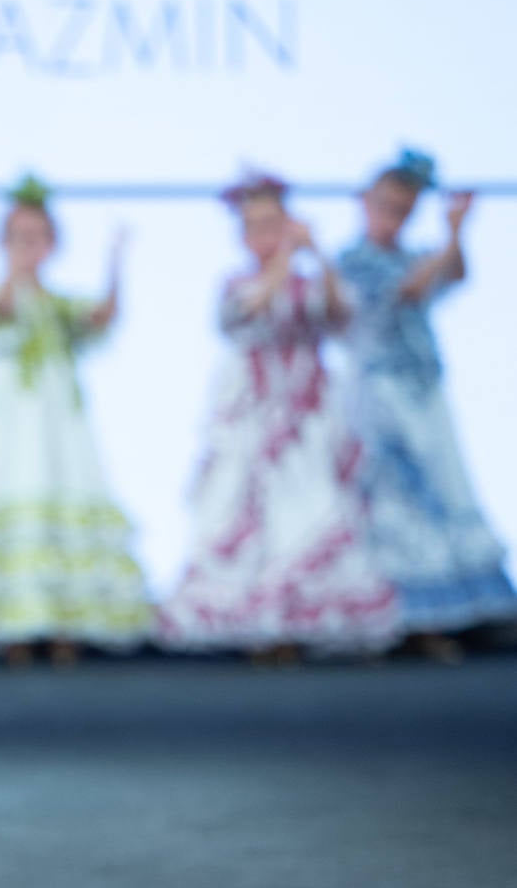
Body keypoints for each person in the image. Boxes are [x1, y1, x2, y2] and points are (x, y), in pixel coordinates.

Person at [157, 171, 399, 659]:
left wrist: (319, 256)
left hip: (306, 412)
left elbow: (340, 317)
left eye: (276, 224)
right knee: (242, 509)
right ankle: (253, 623)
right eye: (258, 226)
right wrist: (286, 258)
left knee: (311, 504)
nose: (268, 235)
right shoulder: (236, 283)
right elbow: (244, 316)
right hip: (252, 412)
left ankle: (302, 620)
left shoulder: (310, 282)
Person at [0, 175, 151, 664]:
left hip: (57, 415)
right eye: (18, 237)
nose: (28, 247)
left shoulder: (60, 305)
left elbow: (101, 318)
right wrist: (16, 272)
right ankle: (12, 624)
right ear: (3, 244)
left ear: (53, 243)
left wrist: (116, 261)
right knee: (10, 487)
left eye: (37, 237)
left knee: (65, 491)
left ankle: (68, 620)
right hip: (11, 419)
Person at [336, 148, 516, 659]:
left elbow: (452, 277)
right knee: (395, 498)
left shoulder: (412, 255)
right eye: (386, 205)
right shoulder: (354, 262)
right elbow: (407, 292)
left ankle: (455, 613)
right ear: (365, 202)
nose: (392, 218)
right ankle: (401, 618)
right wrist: (443, 244)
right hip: (378, 395)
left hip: (423, 391)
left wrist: (457, 231)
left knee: (442, 489)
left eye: (403, 209)